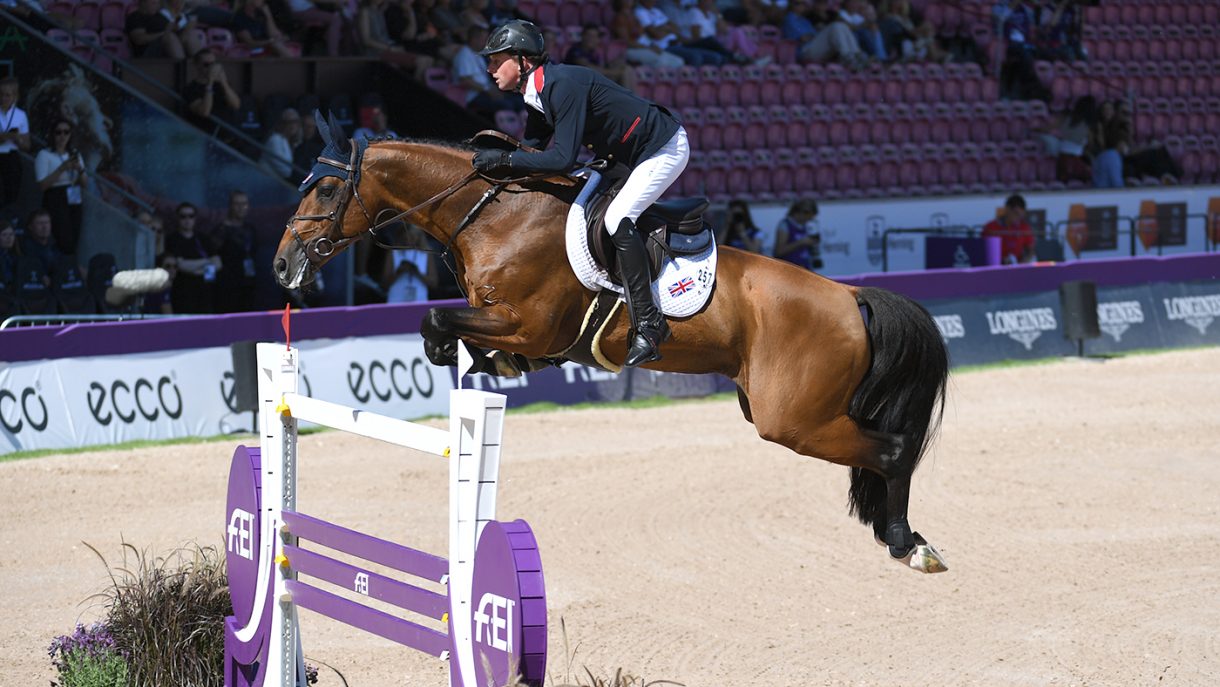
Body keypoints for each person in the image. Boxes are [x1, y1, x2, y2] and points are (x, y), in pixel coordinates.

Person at [470, 20, 688, 367]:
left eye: (497, 60)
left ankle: (649, 325)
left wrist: (505, 160)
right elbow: (532, 151)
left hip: (661, 148)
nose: (489, 69)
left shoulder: (562, 85)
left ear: (524, 61)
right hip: (622, 158)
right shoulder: (536, 95)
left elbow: (561, 159)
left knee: (617, 219)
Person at [34, 118, 87, 256]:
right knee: (62, 234)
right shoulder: (44, 154)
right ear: (53, 134)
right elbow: (42, 185)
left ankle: (70, 261)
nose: (62, 136)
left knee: (75, 231)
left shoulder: (74, 153)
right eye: (58, 132)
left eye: (66, 132)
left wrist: (80, 170)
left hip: (73, 192)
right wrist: (62, 168)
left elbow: (84, 183)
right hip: (55, 194)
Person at [163, 201, 219, 313]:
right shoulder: (172, 239)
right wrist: (206, 261)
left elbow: (218, 263)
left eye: (191, 216)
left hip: (205, 295)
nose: (187, 220)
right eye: (183, 216)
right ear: (178, 218)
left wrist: (197, 271)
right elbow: (181, 265)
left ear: (195, 218)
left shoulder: (203, 238)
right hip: (182, 294)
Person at [210, 190, 258, 312]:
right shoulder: (221, 230)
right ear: (231, 206)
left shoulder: (250, 229)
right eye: (237, 204)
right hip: (227, 287)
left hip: (248, 283)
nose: (241, 208)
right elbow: (212, 256)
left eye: (244, 204)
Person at [184, 48, 242, 133]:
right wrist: (210, 81)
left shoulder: (221, 84)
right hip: (206, 134)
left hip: (228, 134)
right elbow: (204, 112)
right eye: (207, 64)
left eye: (213, 64)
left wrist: (223, 82)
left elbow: (236, 105)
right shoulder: (191, 88)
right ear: (197, 65)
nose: (211, 68)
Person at [125, 0, 201, 59]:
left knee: (190, 34)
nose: (156, 6)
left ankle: (200, 64)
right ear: (142, 3)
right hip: (147, 52)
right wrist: (164, 34)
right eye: (153, 3)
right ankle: (182, 67)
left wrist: (185, 29)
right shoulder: (135, 17)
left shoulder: (160, 16)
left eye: (158, 3)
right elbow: (139, 39)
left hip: (168, 47)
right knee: (170, 37)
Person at [381, 223, 438, 302]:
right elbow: (384, 284)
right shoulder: (393, 253)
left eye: (412, 237)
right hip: (396, 300)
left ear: (419, 236)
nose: (409, 240)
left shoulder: (426, 253)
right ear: (402, 236)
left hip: (419, 300)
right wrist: (399, 271)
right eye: (406, 237)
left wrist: (417, 272)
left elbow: (434, 283)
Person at [0, 77, 30, 212]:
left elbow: (27, 145)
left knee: (11, 195)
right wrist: (8, 136)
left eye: (7, 95)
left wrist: (18, 140)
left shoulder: (20, 115)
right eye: (1, 94)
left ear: (14, 96)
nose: (3, 98)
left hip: (11, 157)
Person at [982, 193, 1035, 265]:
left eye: (1020, 214)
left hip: (1018, 267)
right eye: (1015, 213)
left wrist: (1024, 262)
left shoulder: (1024, 228)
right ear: (1007, 209)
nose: (1018, 217)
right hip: (996, 266)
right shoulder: (991, 227)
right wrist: (1001, 261)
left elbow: (1030, 250)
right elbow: (985, 252)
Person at [773, 199, 823, 270]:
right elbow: (778, 252)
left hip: (805, 268)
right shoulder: (785, 225)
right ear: (801, 212)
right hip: (789, 270)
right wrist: (801, 242)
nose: (810, 220)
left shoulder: (808, 225)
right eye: (809, 217)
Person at [20, 209, 60, 282]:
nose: (45, 227)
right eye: (40, 223)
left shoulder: (54, 245)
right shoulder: (25, 248)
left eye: (47, 222)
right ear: (30, 227)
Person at [262, 108, 301, 182]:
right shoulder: (275, 140)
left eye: (295, 122)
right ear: (282, 124)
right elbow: (285, 171)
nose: (292, 125)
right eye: (289, 122)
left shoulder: (294, 142)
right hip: (266, 181)